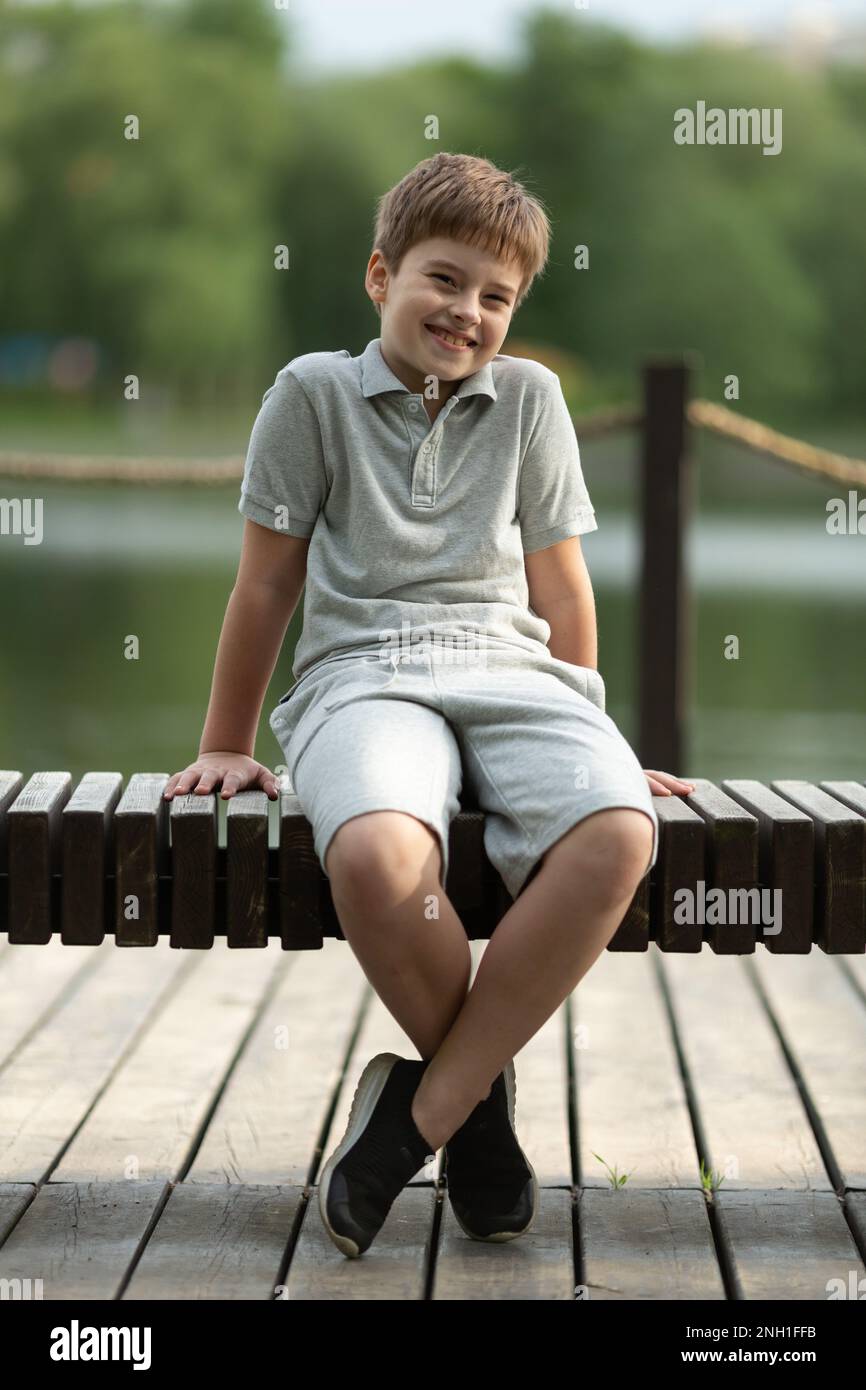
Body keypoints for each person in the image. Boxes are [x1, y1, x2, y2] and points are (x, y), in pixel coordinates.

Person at [164, 151, 694, 1259]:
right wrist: (223, 740)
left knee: (614, 833)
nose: (467, 312)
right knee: (372, 858)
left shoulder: (533, 400)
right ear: (379, 275)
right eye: (443, 281)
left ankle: (410, 1120)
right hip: (362, 675)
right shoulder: (311, 394)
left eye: (495, 297)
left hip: (514, 673)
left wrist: (596, 735)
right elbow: (268, 580)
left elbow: (559, 586)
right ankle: (473, 1110)